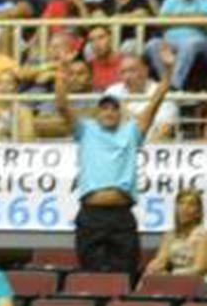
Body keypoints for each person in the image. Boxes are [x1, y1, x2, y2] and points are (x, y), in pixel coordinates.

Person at [55, 46, 175, 276]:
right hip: (91, 213)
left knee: (126, 274)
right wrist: (61, 71)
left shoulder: (131, 132)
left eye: (114, 109)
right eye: (104, 109)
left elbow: (155, 102)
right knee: (90, 277)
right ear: (97, 113)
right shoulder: (85, 130)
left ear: (120, 113)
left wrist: (169, 70)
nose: (109, 112)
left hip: (121, 214)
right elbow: (62, 105)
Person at [144, 188, 207, 278]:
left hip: (196, 281)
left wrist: (172, 276)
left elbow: (200, 269)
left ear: (198, 212)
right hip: (173, 280)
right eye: (181, 203)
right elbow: (161, 260)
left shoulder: (203, 235)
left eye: (191, 204)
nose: (184, 208)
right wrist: (154, 267)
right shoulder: (170, 235)